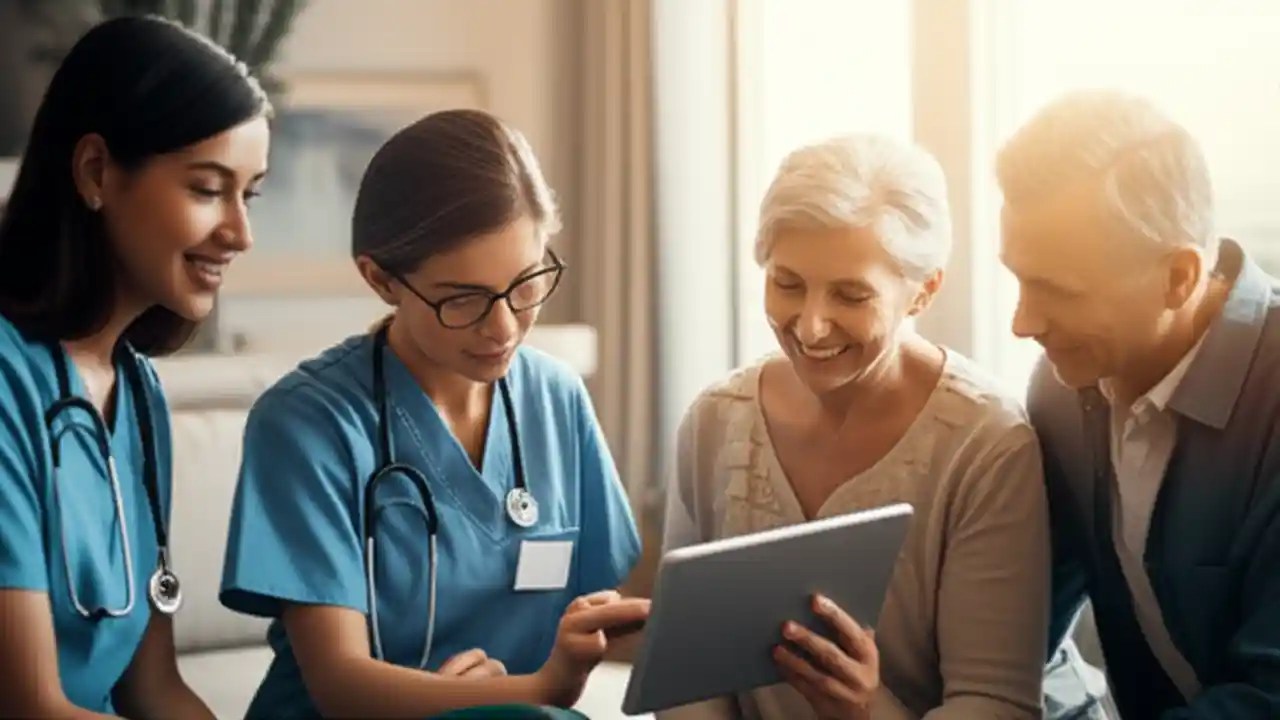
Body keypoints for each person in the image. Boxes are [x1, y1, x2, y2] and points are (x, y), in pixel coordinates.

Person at [218, 108, 648, 719]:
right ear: (380, 280)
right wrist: (538, 689)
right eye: (464, 299)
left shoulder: (556, 398)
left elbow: (602, 605)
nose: (503, 327)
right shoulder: (305, 424)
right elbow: (342, 687)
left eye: (526, 285)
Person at [660, 133, 1051, 719]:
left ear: (924, 291)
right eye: (787, 283)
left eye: (851, 295)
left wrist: (866, 710)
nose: (812, 327)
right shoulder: (716, 422)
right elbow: (688, 672)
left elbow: (995, 703)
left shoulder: (986, 444)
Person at [0, 15, 270, 719]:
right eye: (209, 189)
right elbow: (31, 706)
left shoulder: (139, 392)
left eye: (252, 193)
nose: (242, 232)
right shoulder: (6, 382)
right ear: (96, 172)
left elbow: (155, 690)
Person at [1000, 89, 1280, 719]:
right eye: (1017, 278)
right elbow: (1020, 630)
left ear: (1179, 277)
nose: (1022, 323)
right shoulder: (1061, 390)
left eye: (1057, 290)